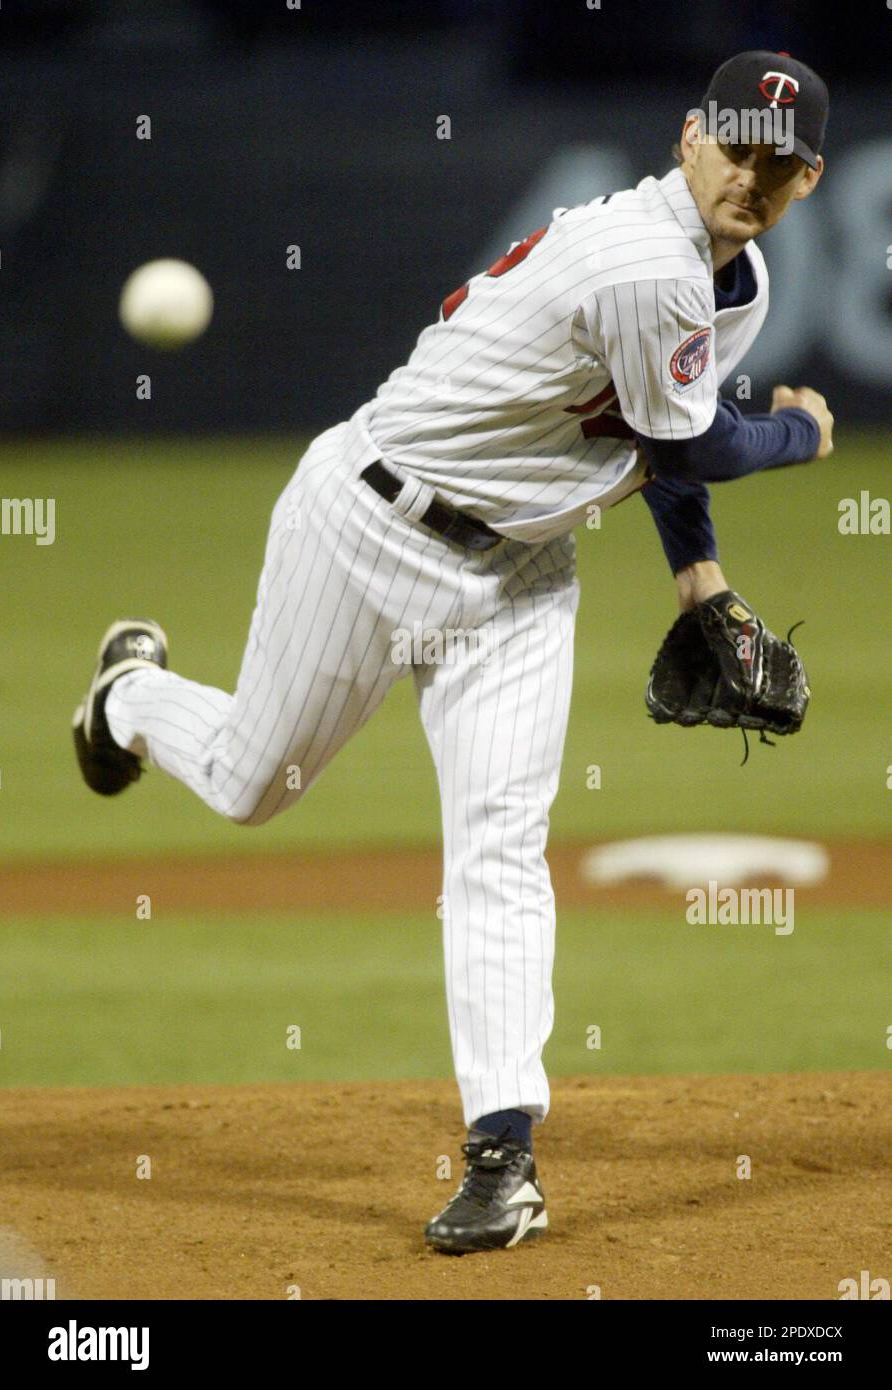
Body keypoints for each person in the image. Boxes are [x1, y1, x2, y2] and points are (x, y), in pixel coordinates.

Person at [73, 50, 831, 1255]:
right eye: (736, 146)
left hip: (518, 571)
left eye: (778, 163)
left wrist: (705, 582)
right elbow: (691, 449)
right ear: (689, 136)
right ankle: (128, 698)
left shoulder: (729, 283)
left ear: (808, 179)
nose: (751, 174)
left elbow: (647, 448)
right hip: (369, 520)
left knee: (500, 843)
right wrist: (797, 433)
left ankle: (502, 1161)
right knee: (245, 783)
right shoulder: (644, 261)